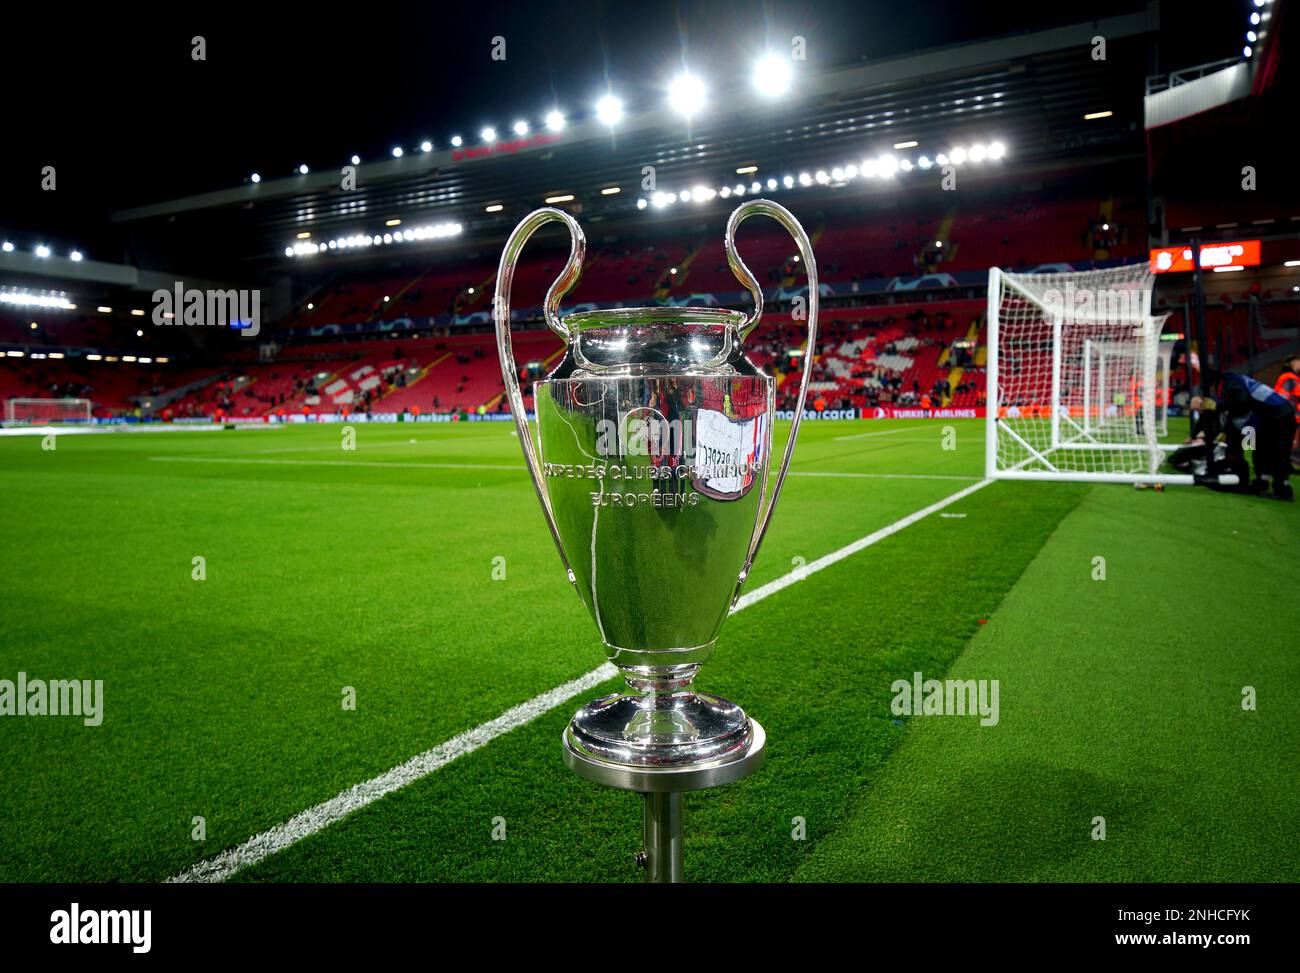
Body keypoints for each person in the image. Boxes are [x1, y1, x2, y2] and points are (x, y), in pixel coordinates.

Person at [1213, 371, 1296, 501]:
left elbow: (1241, 403)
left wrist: (1218, 407)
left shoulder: (1231, 383)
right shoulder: (1237, 380)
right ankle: (1262, 482)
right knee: (1262, 449)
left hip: (1279, 416)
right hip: (1272, 415)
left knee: (1275, 452)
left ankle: (1282, 489)